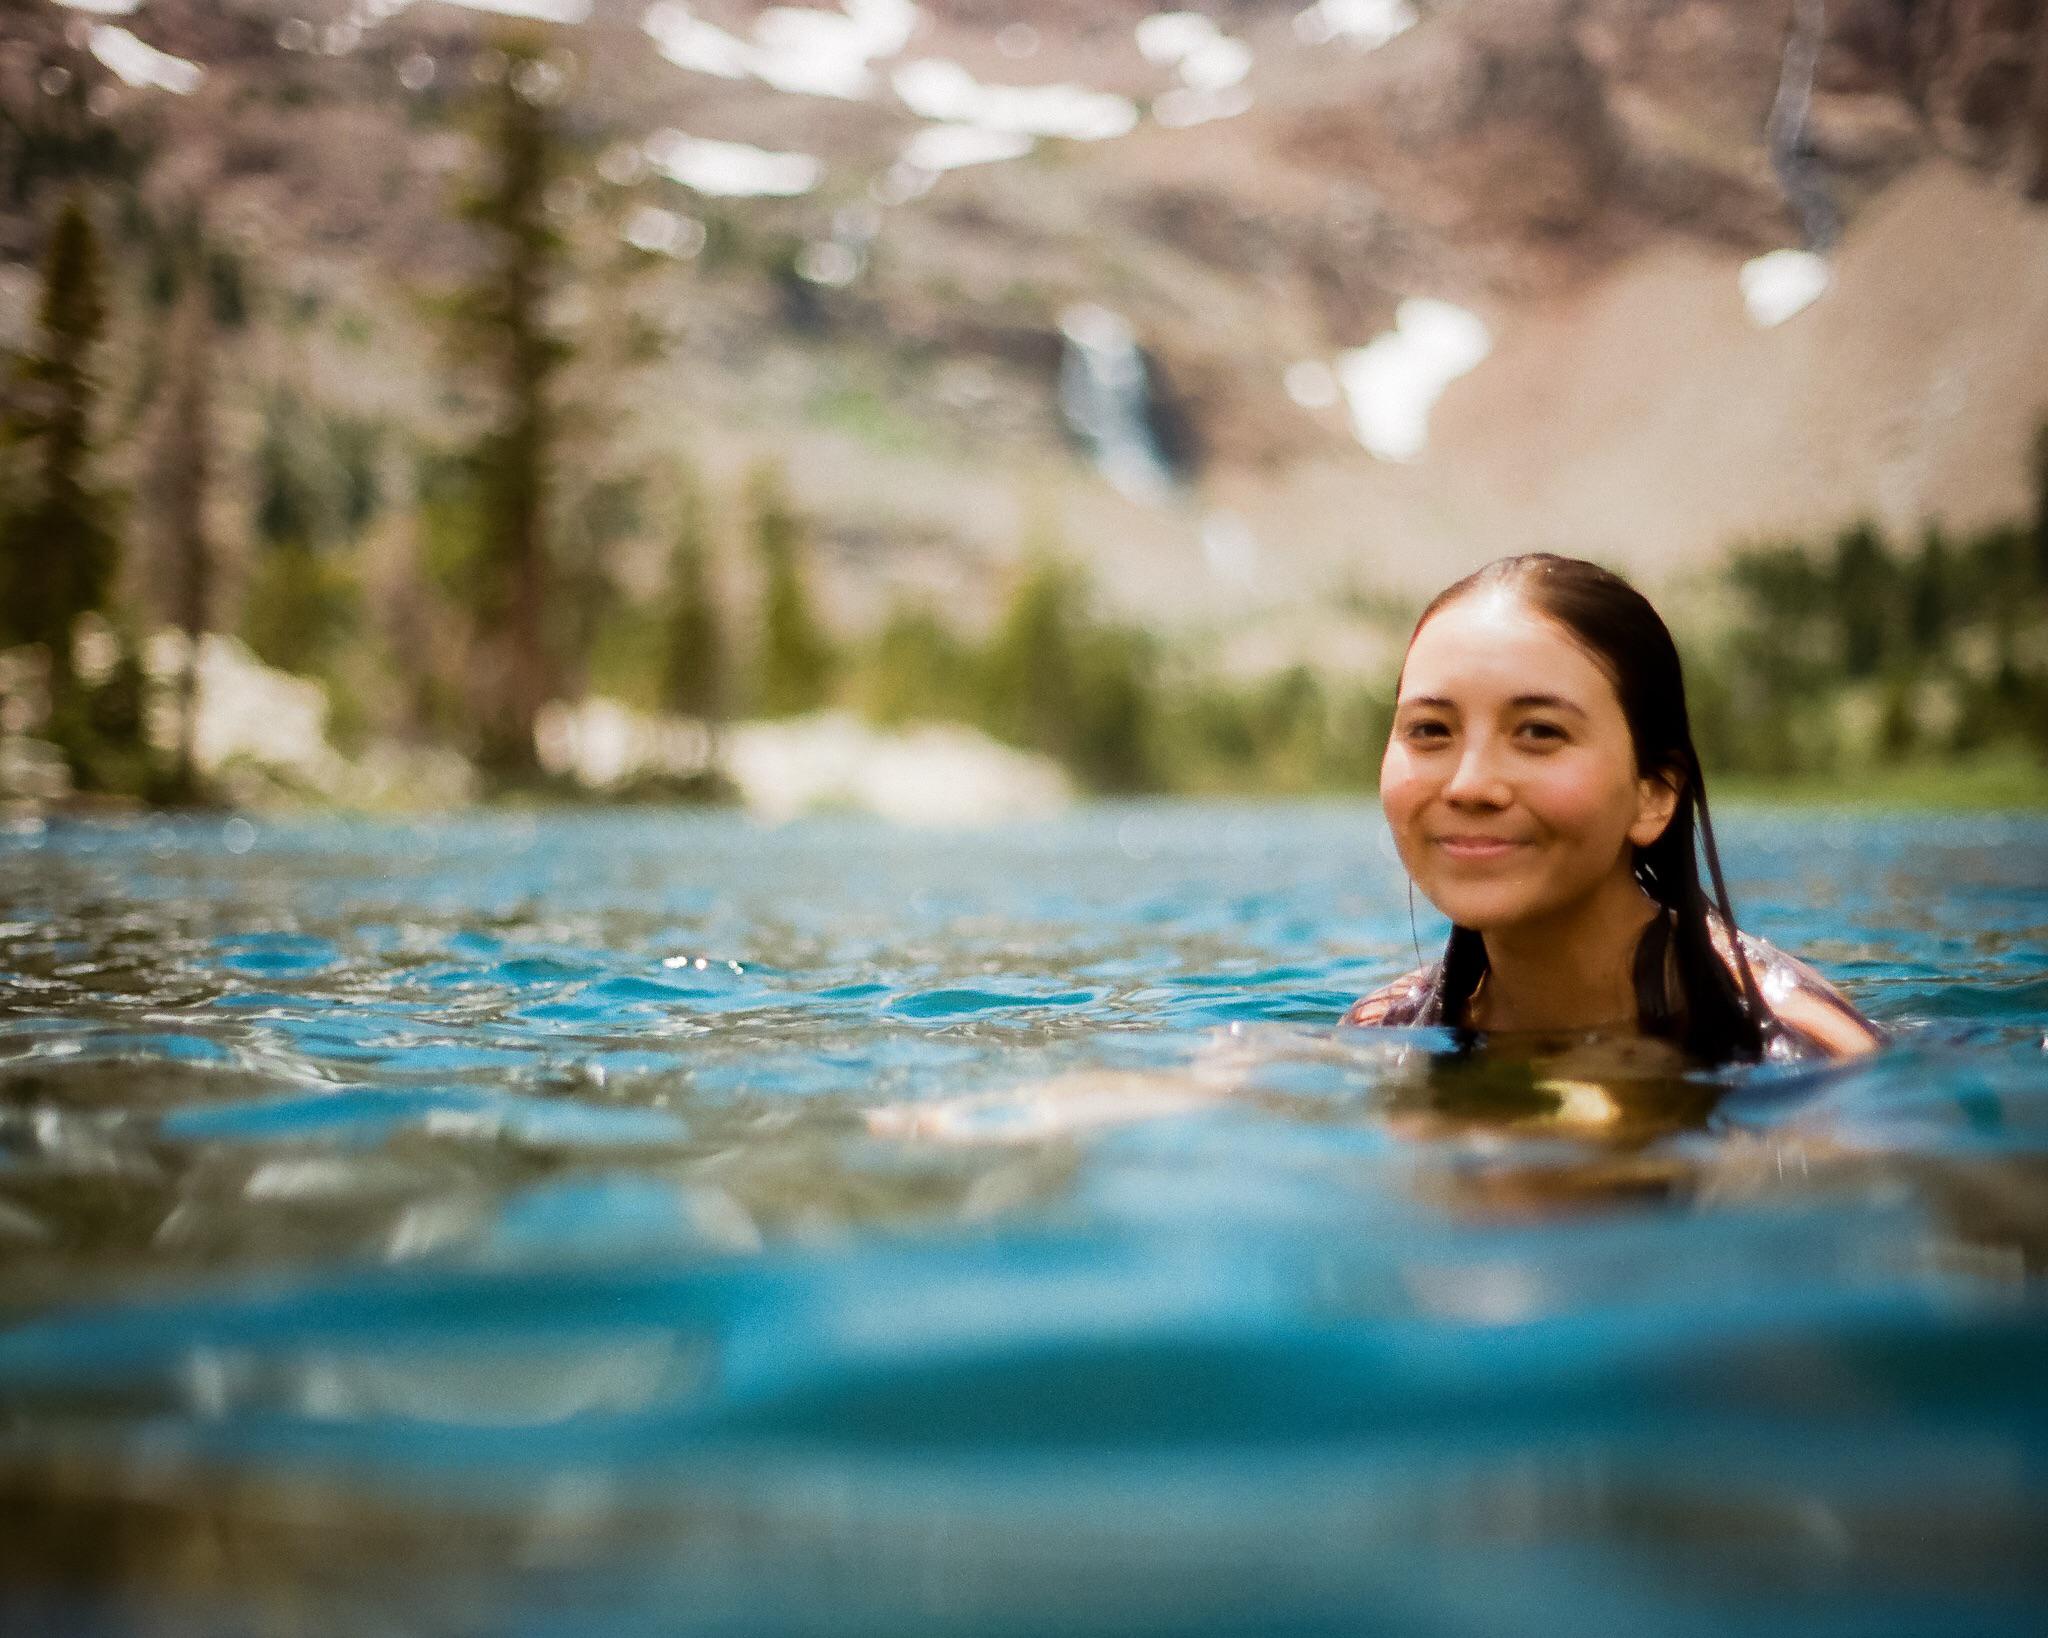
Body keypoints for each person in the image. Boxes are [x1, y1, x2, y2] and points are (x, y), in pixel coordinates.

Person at [1347, 553, 1881, 1063]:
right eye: (1431, 730)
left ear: (1654, 794)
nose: (1469, 786)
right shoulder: (1387, 1028)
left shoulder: (1800, 1044)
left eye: (1540, 732)